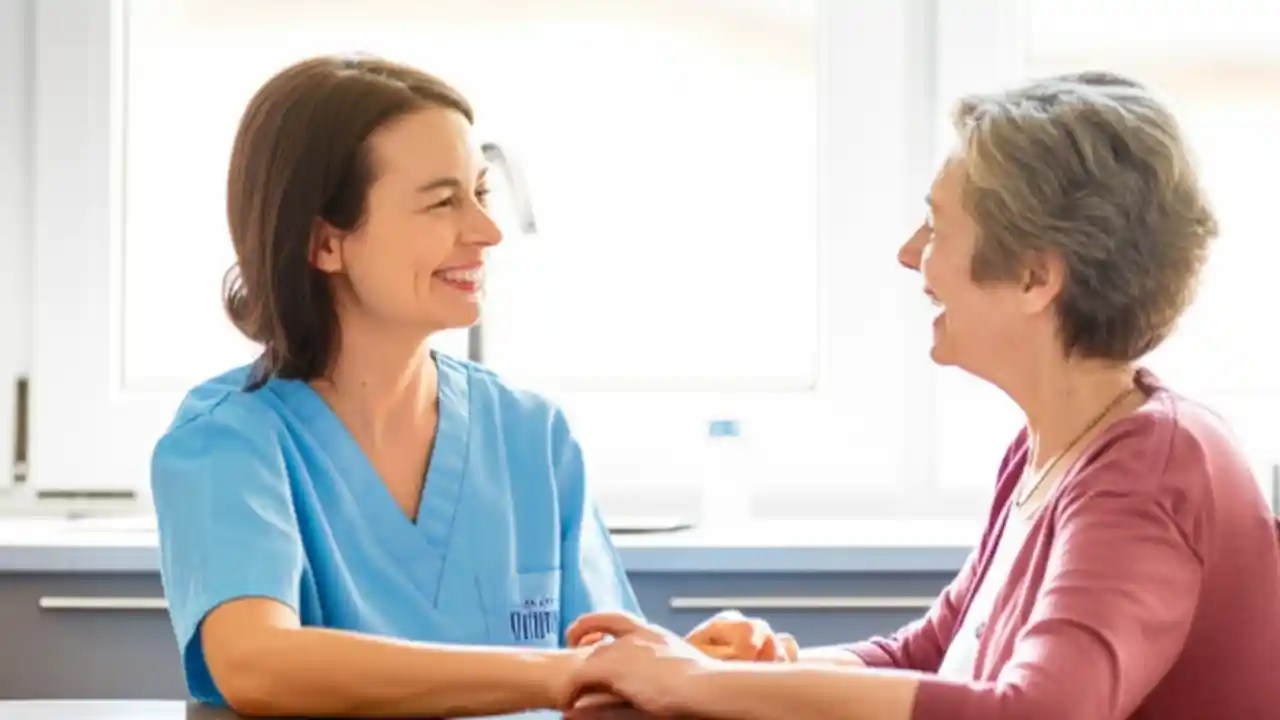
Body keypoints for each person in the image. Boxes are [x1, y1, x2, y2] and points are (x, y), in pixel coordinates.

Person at [564, 72, 1280, 719]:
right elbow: (932, 653)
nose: (910, 253)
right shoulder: (1059, 445)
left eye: (936, 228)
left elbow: (1042, 713)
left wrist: (699, 687)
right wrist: (729, 672)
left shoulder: (1150, 466)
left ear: (1036, 277)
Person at [149, 54, 640, 718]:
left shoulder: (532, 436)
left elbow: (620, 666)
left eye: (482, 193)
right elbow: (254, 663)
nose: (487, 232)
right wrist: (552, 673)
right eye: (443, 202)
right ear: (325, 243)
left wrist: (711, 661)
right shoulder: (229, 442)